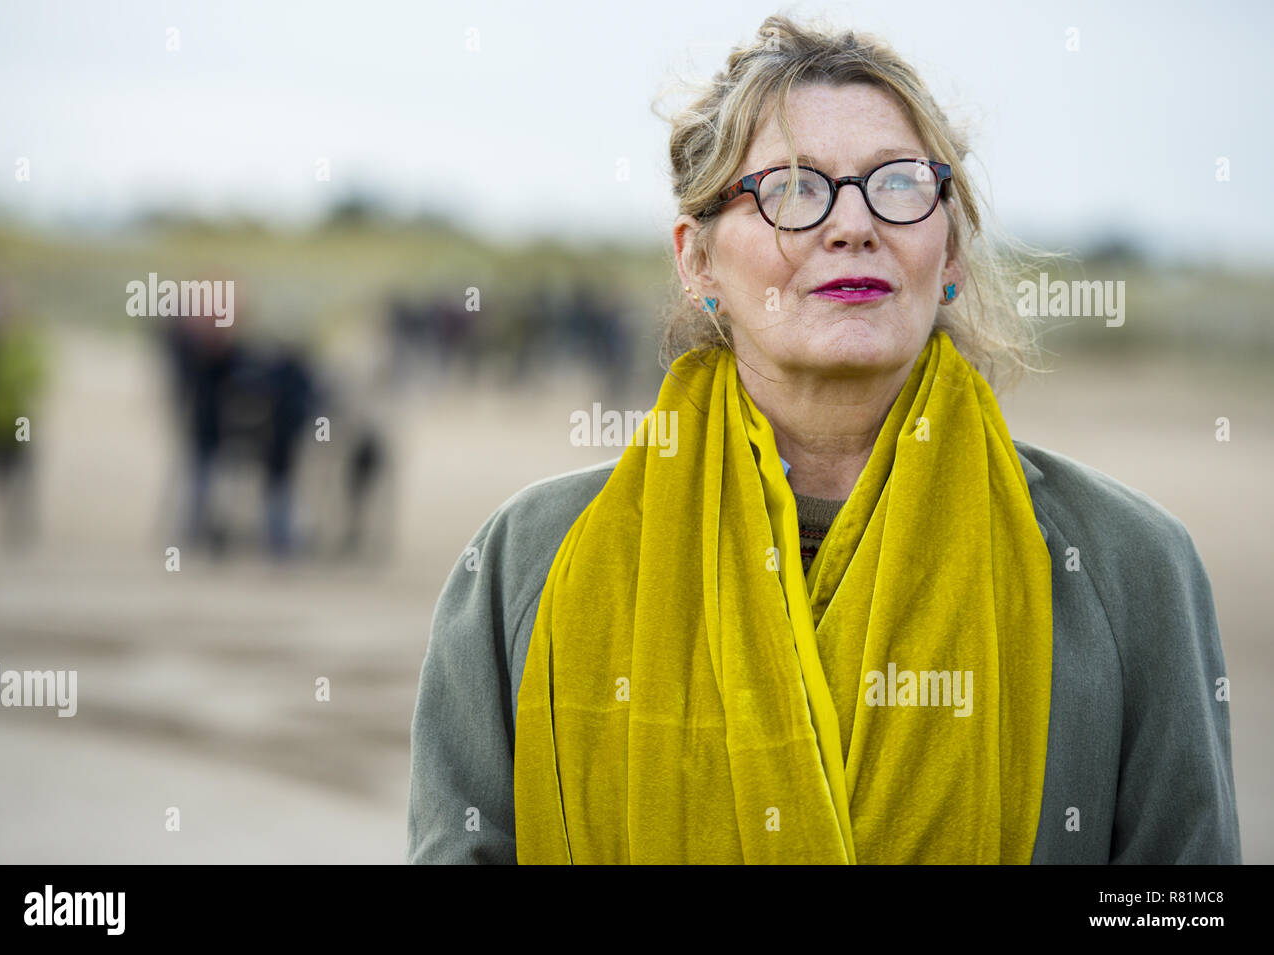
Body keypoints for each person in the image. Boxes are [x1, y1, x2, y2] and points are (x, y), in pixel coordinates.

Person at [406, 15, 1240, 864]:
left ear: (948, 246)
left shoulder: (1127, 565)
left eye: (900, 184)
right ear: (697, 260)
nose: (851, 226)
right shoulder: (530, 560)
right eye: (794, 187)